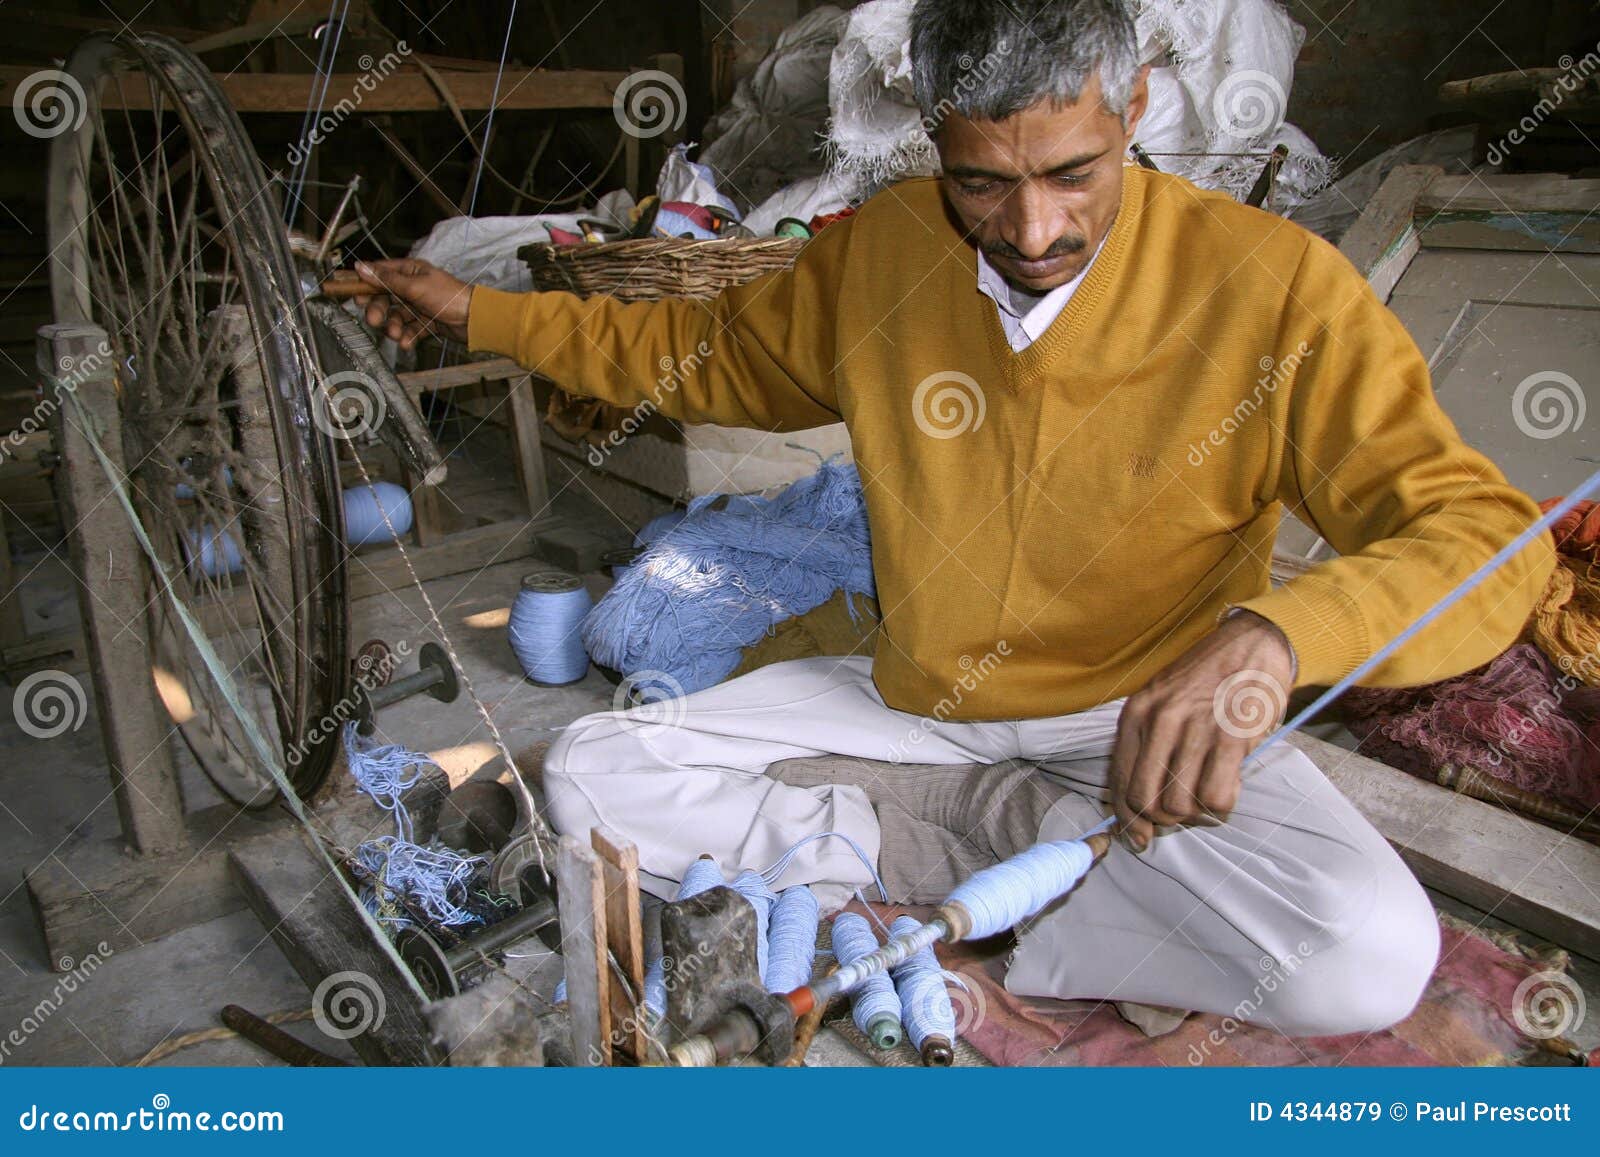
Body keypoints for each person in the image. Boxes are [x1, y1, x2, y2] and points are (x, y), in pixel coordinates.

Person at [352, 0, 1553, 1037]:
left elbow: (1485, 541)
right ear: (933, 140)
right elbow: (691, 353)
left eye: (1073, 172)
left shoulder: (1277, 286)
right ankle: (1009, 855)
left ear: (1133, 102)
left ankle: (919, 856)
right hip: (916, 704)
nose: (1033, 232)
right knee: (594, 769)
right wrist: (481, 312)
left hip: (1135, 724)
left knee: (1367, 954)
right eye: (983, 182)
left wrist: (1275, 640)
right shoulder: (880, 255)